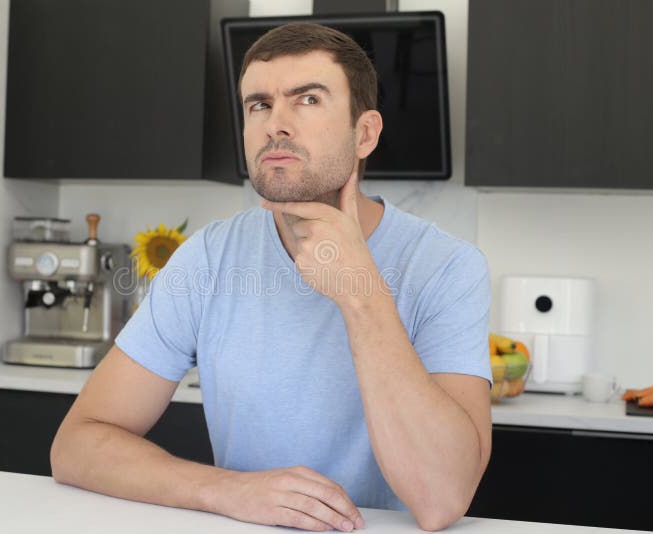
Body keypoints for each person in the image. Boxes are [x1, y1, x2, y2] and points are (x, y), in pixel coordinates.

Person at [51, 23, 492, 532]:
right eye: (258, 104)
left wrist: (360, 295)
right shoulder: (209, 258)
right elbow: (76, 445)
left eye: (307, 99)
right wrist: (226, 490)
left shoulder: (447, 266)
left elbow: (442, 500)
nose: (275, 124)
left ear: (365, 133)